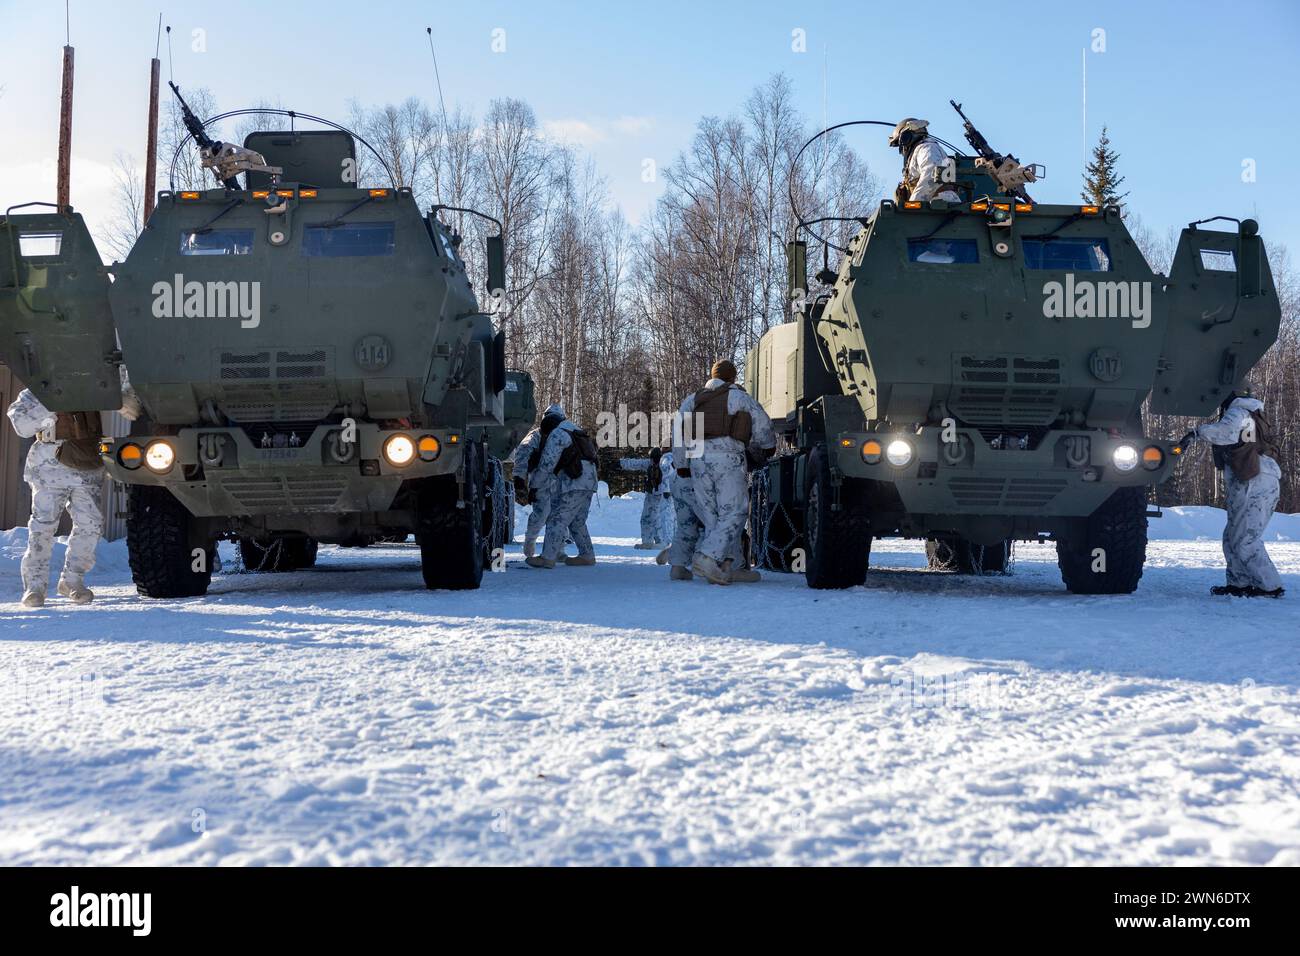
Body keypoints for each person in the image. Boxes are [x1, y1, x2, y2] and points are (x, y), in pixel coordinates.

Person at [6, 380, 140, 607]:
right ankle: (35, 586)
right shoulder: (39, 389)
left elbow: (132, 410)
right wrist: (51, 402)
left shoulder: (93, 384)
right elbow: (20, 424)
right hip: (49, 465)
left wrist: (113, 392)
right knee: (43, 527)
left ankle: (72, 581)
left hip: (86, 466)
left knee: (91, 525)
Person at [674, 360, 775, 585]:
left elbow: (679, 434)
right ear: (732, 378)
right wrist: (768, 446)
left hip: (697, 461)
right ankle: (708, 557)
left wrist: (681, 464)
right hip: (727, 459)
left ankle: (730, 565)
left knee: (712, 516)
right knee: (736, 511)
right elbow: (762, 424)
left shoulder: (693, 400)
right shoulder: (737, 397)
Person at [1189, 387, 1284, 598]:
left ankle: (1269, 586)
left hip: (1254, 480)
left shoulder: (1238, 411)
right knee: (1232, 536)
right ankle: (1238, 583)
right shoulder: (1252, 413)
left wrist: (1197, 432)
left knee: (1244, 538)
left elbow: (1225, 432)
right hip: (1253, 479)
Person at [525, 404, 600, 569]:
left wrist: (534, 487)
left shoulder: (557, 434)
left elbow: (546, 465)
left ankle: (547, 558)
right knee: (577, 522)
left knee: (556, 518)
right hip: (589, 481)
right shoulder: (574, 430)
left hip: (574, 482)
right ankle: (587, 555)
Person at [510, 405, 565, 558]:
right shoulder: (535, 436)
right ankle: (530, 541)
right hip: (540, 480)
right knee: (541, 514)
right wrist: (519, 480)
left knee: (559, 515)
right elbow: (522, 456)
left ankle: (558, 549)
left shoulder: (563, 436)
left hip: (559, 481)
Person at [888, 117, 962, 205]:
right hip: (932, 206)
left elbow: (931, 175)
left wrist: (912, 205)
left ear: (906, 138)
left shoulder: (926, 148)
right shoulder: (920, 151)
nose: (902, 149)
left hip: (940, 206)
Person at [618, 447, 673, 548]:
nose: (651, 461)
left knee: (662, 518)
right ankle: (647, 541)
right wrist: (620, 463)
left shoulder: (668, 461)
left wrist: (667, 491)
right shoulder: (650, 463)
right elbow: (636, 463)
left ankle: (663, 542)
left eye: (652, 459)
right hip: (652, 493)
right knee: (647, 517)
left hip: (664, 495)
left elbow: (669, 473)